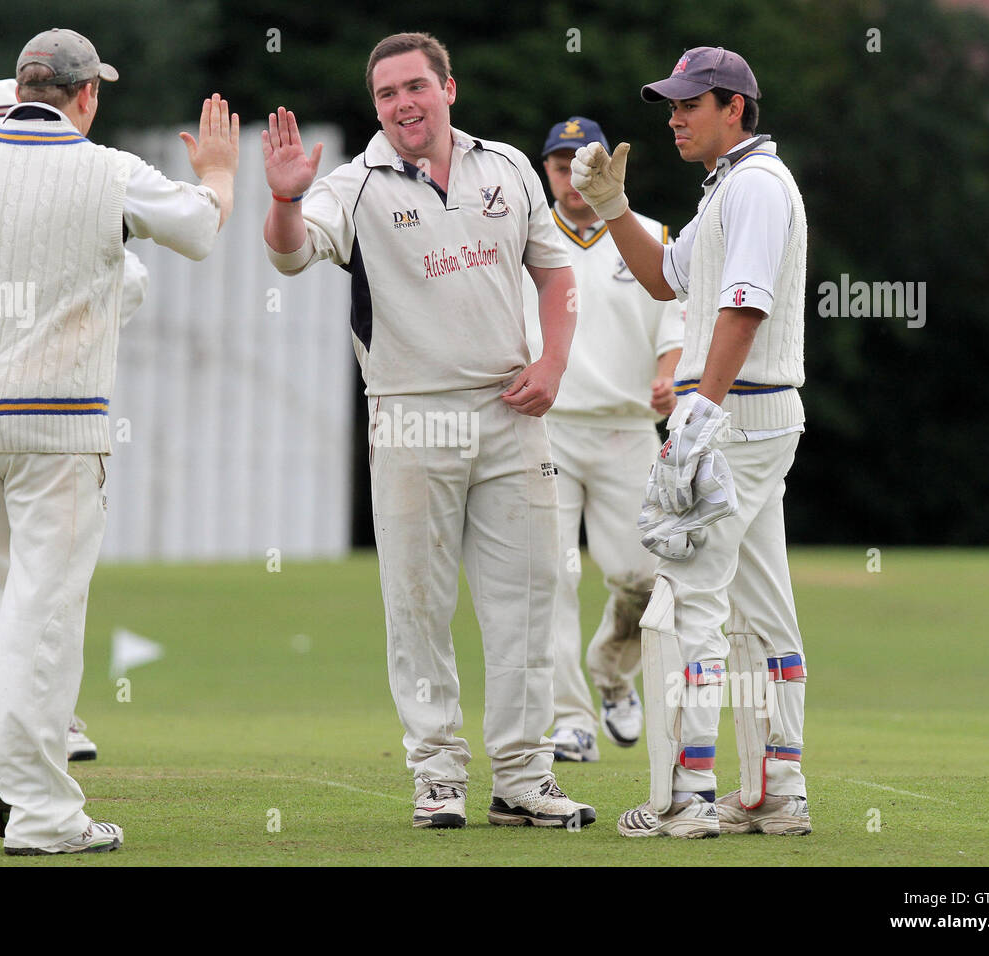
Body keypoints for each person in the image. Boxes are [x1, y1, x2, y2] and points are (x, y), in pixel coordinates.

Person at [0, 28, 239, 854]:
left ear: (20, 86)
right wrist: (216, 176)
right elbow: (199, 230)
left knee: (14, 604)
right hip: (54, 425)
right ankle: (40, 813)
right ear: (87, 95)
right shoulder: (102, 166)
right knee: (44, 610)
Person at [262, 32, 595, 830]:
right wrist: (280, 199)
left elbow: (554, 272)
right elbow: (290, 255)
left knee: (527, 596)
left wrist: (553, 363)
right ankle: (438, 775)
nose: (403, 104)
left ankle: (522, 776)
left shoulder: (510, 166)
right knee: (417, 603)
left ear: (450, 89)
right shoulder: (355, 182)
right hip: (410, 411)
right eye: (386, 94)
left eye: (415, 86)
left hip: (512, 408)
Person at [571, 46, 811, 837]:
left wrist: (700, 415)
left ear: (734, 108)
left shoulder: (756, 187)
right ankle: (779, 786)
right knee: (762, 599)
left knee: (688, 603)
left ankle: (690, 796)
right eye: (670, 106)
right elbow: (665, 279)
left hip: (734, 413)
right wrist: (613, 210)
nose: (672, 119)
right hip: (749, 413)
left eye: (688, 105)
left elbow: (745, 309)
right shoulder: (727, 189)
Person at [0, 77, 150, 765]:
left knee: (30, 586)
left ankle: (9, 732)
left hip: (9, 422)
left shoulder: (63, 205)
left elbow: (129, 280)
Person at [523, 117, 684, 763]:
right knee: (552, 578)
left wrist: (668, 377)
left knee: (645, 578)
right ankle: (569, 720)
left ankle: (613, 671)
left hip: (627, 430)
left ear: (606, 171)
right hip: (549, 429)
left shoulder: (648, 235)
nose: (571, 178)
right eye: (560, 167)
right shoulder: (525, 239)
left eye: (583, 166)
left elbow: (674, 324)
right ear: (546, 173)